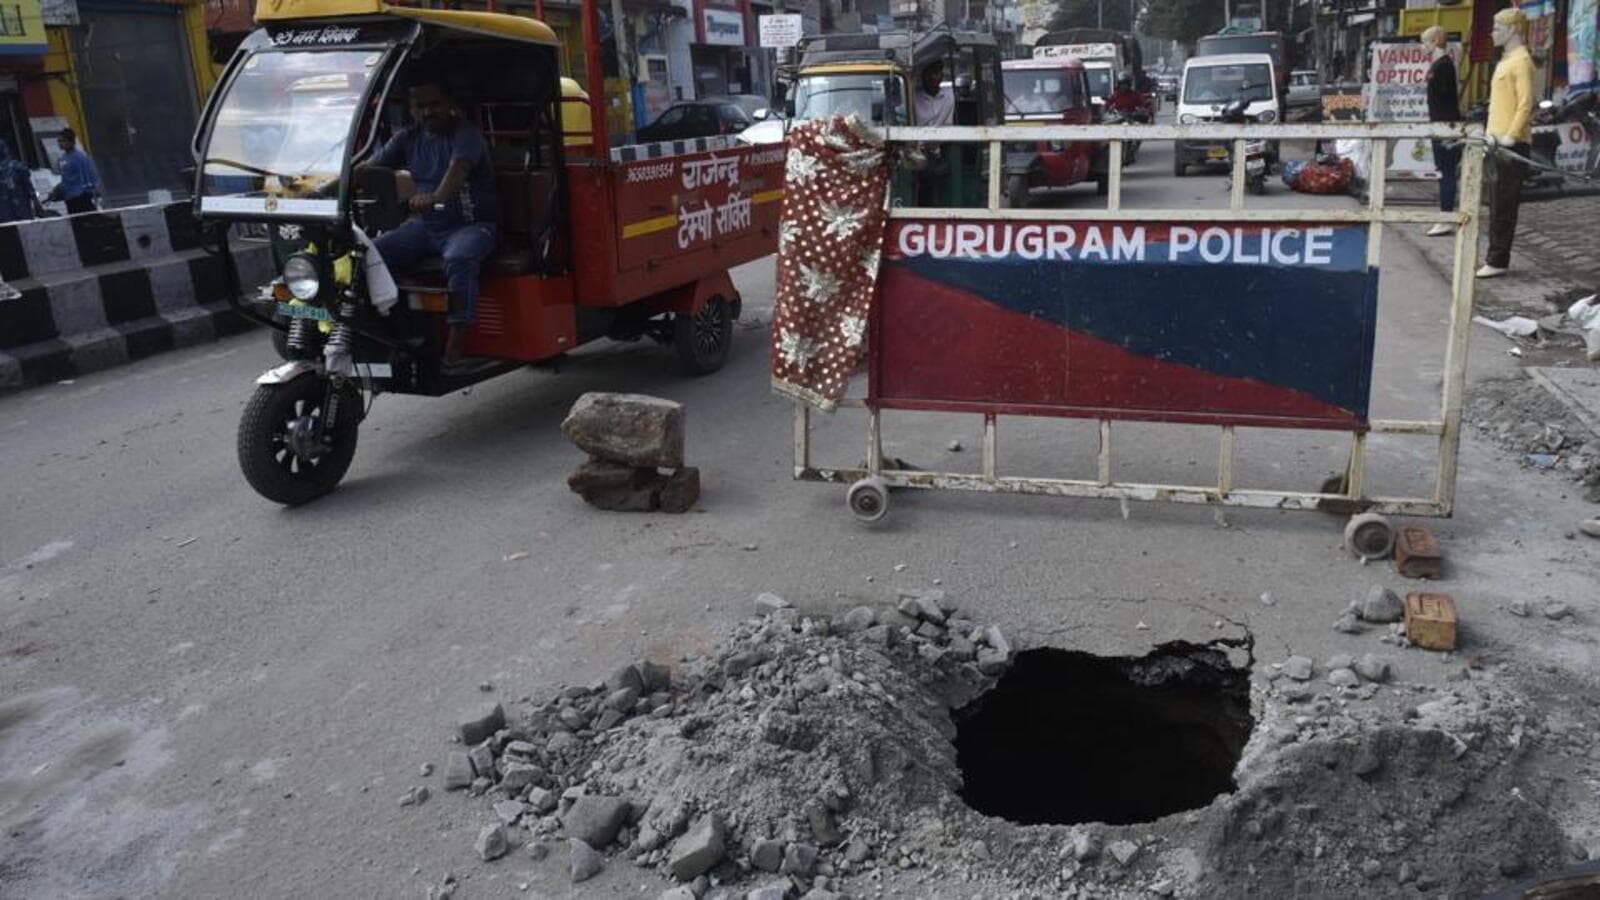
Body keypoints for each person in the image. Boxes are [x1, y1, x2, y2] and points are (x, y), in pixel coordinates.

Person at [368, 74, 499, 365]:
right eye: (420, 105)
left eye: (435, 104)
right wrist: (322, 188)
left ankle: (454, 349)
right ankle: (398, 333)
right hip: (426, 227)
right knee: (372, 253)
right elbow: (370, 167)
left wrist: (436, 196)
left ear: (448, 103)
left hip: (471, 225)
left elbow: (458, 170)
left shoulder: (466, 135)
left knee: (459, 258)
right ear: (411, 108)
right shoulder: (407, 137)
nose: (428, 111)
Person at [1479, 7, 1535, 279]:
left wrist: (1511, 135)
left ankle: (1498, 259)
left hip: (1511, 144)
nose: (1492, 33)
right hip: (1495, 141)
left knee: (1504, 204)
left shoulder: (1522, 61)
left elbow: (1525, 104)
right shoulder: (1506, 60)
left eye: (1498, 29)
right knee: (1495, 202)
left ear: (1513, 29)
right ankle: (1494, 254)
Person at [1423, 26, 1461, 236]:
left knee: (1446, 172)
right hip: (1439, 124)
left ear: (1436, 41)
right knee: (1443, 171)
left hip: (1445, 126)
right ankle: (1444, 214)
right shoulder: (1437, 65)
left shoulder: (1444, 65)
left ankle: (1446, 216)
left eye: (1426, 41)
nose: (1423, 46)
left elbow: (1447, 99)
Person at [47, 129, 99, 215]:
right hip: (69, 198)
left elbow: (88, 176)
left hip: (81, 196)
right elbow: (66, 178)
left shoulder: (79, 157)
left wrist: (89, 193)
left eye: (63, 141)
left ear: (71, 142)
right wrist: (57, 189)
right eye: (59, 141)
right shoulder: (62, 159)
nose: (60, 143)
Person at [0, 138, 43, 224]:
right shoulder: (17, 166)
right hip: (9, 213)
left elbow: (29, 187)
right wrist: (36, 202)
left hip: (19, 211)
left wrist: (36, 202)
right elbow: (29, 187)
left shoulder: (17, 167)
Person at [914, 60, 954, 127]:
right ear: (922, 76)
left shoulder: (950, 96)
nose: (932, 77)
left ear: (942, 76)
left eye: (935, 73)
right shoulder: (913, 98)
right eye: (928, 73)